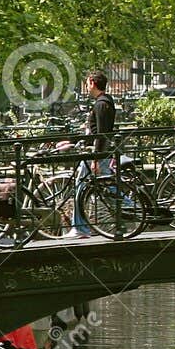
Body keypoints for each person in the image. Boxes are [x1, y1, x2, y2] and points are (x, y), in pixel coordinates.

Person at [70, 70, 116, 237]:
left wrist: (95, 158)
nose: (86, 87)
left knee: (81, 187)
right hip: (100, 154)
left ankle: (80, 228)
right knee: (109, 189)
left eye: (87, 84)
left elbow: (101, 134)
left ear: (93, 84)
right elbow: (96, 130)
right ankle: (137, 209)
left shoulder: (101, 104)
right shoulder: (104, 102)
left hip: (97, 155)